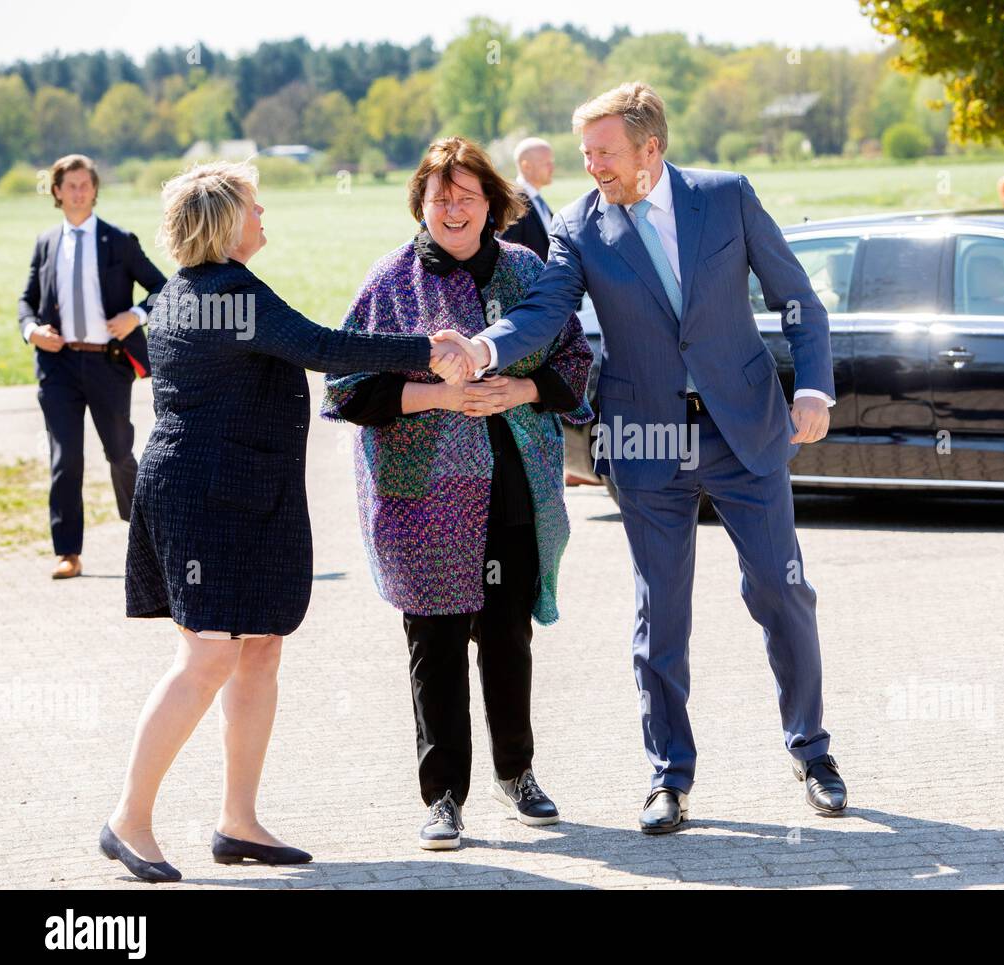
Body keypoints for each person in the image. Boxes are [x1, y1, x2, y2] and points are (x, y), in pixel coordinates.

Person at [430, 82, 848, 834]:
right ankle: (669, 775)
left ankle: (813, 752)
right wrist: (486, 345)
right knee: (661, 615)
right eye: (585, 153)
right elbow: (548, 307)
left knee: (782, 592)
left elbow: (799, 302)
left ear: (650, 148)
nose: (591, 167)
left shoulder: (728, 198)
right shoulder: (581, 226)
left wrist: (813, 388)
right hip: (644, 442)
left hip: (744, 432)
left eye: (604, 153)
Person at [104, 161, 440, 883]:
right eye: (256, 208)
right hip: (208, 498)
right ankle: (128, 819)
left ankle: (238, 821)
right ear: (227, 222)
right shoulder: (225, 293)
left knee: (259, 649)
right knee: (207, 657)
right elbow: (322, 347)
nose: (265, 219)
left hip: (235, 495)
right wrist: (427, 349)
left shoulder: (184, 292)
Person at [321, 137, 592, 851]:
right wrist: (434, 395)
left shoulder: (528, 271)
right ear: (421, 202)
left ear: (492, 204)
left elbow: (574, 355)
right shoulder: (392, 282)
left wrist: (524, 387)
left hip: (511, 487)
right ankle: (442, 796)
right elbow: (347, 388)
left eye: (466, 195)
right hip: (423, 500)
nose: (452, 208)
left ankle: (518, 773)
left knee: (507, 636)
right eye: (439, 196)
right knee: (435, 644)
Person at [17, 154, 166, 580]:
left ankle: (148, 544)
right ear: (57, 191)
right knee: (65, 459)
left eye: (86, 184)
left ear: (95, 190)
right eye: (71, 185)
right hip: (58, 366)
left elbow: (162, 286)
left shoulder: (118, 240)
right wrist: (31, 331)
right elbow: (26, 300)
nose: (79, 191)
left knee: (119, 453)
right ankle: (68, 553)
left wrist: (134, 316)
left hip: (108, 364)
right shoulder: (46, 243)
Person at [501, 137, 556, 260]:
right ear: (526, 166)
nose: (552, 168)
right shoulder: (515, 200)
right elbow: (505, 251)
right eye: (547, 163)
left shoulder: (537, 200)